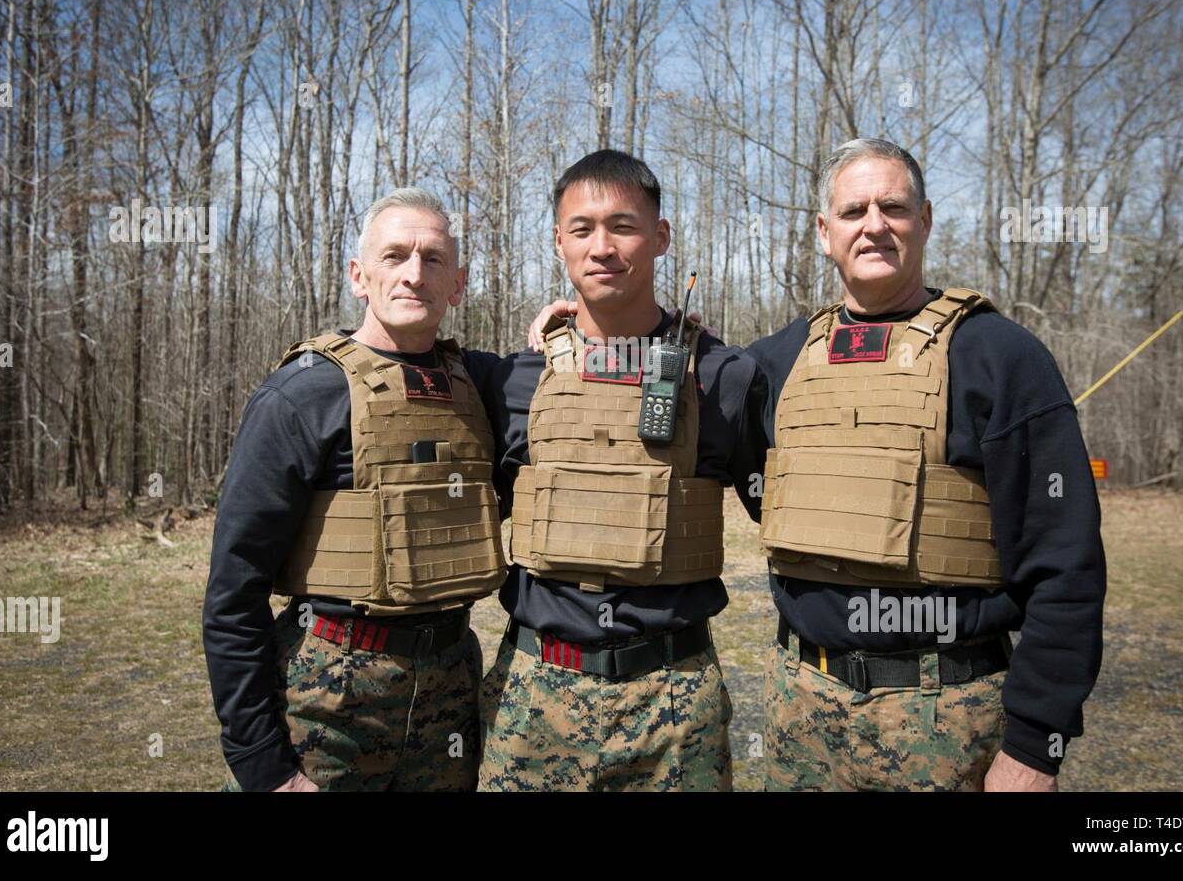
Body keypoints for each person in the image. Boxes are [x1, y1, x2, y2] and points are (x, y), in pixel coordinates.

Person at [749, 138, 1106, 791]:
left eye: (894, 207)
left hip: (949, 720)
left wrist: (1034, 747)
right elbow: (680, 395)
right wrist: (576, 333)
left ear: (926, 221)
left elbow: (1067, 562)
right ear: (825, 233)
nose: (875, 225)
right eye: (854, 210)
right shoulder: (778, 362)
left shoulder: (1001, 356)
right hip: (801, 712)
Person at [474, 149, 767, 791]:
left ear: (660, 237)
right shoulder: (512, 379)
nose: (602, 247)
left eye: (623, 226)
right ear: (558, 242)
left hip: (674, 699)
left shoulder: (724, 377)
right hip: (534, 698)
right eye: (581, 229)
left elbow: (791, 519)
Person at [202, 187, 506, 791]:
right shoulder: (302, 394)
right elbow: (234, 594)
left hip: (450, 694)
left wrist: (645, 339)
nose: (414, 275)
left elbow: (575, 378)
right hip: (329, 705)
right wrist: (267, 770)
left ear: (459, 283)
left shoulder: (481, 384)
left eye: (433, 259)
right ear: (359, 276)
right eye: (394, 256)